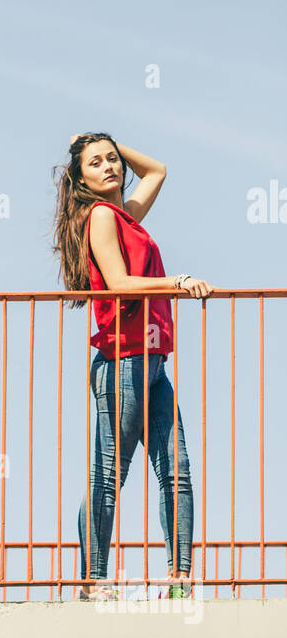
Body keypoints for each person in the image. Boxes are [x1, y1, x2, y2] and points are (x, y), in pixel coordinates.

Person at [51, 134, 213, 600]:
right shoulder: (101, 216)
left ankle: (179, 580)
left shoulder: (126, 216)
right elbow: (120, 283)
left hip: (153, 362)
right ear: (81, 178)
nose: (109, 167)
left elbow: (157, 170)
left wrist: (111, 141)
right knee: (109, 474)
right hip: (122, 362)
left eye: (113, 160)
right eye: (95, 163)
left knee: (176, 470)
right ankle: (94, 580)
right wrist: (177, 281)